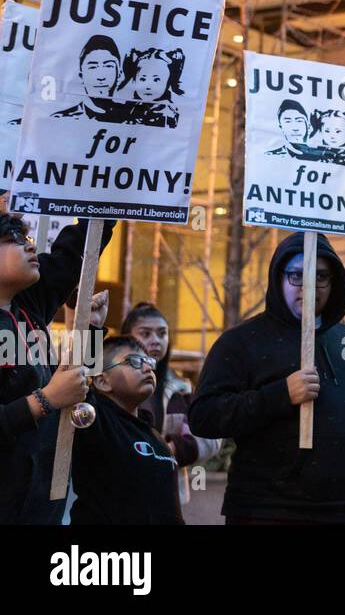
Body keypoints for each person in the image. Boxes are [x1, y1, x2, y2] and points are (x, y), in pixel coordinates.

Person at [189, 232, 345, 524]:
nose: (309, 286)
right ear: (278, 278)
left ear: (333, 284)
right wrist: (280, 395)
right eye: (297, 275)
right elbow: (204, 416)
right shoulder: (242, 341)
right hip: (269, 512)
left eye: (320, 277)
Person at [0, 211, 115, 523]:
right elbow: (56, 394)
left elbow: (78, 394)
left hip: (42, 508)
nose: (30, 246)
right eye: (13, 240)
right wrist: (44, 401)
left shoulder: (29, 306)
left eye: (28, 238)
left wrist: (88, 333)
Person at [70, 335, 184, 525]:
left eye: (149, 361)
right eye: (134, 362)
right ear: (102, 381)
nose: (148, 368)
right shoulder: (97, 421)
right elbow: (76, 377)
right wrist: (93, 325)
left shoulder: (151, 433)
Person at [121, 303, 222, 507]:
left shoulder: (181, 388)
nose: (156, 340)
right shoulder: (111, 382)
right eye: (146, 333)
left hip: (166, 497)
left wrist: (171, 449)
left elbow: (211, 435)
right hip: (116, 494)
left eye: (162, 333)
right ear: (127, 338)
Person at [52, 35, 129, 122]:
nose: (101, 77)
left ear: (119, 74)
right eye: (93, 67)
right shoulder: (61, 120)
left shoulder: (131, 119)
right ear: (81, 76)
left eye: (108, 66)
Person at [117, 47, 184, 128]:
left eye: (156, 80)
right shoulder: (131, 107)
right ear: (134, 79)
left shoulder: (167, 113)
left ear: (168, 81)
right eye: (142, 79)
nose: (148, 86)